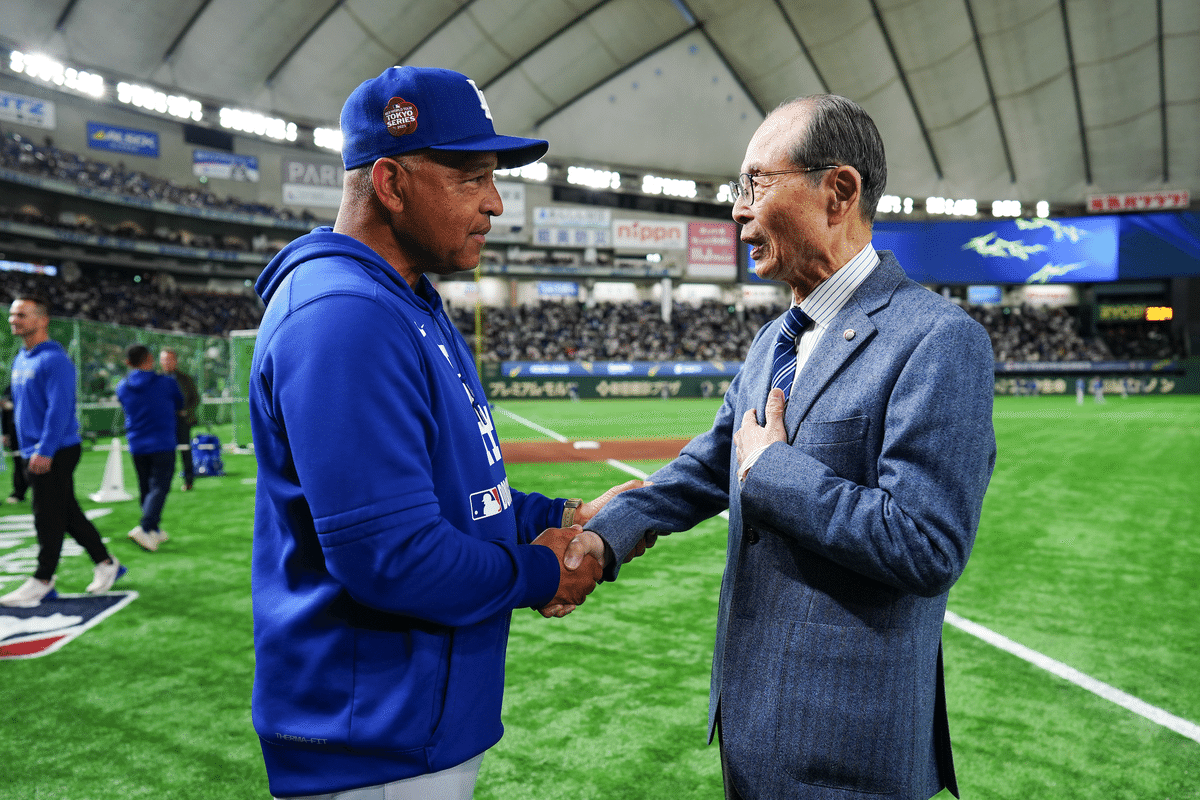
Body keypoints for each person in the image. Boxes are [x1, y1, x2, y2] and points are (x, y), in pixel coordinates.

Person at [564, 96, 997, 799]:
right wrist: (605, 538)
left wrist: (776, 471)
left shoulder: (939, 339)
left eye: (755, 185)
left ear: (839, 191)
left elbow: (926, 545)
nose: (737, 210)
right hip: (751, 732)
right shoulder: (776, 339)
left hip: (850, 754)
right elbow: (710, 465)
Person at [248, 66, 643, 800]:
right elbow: (391, 556)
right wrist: (543, 571)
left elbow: (461, 493)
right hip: (369, 740)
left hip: (407, 725)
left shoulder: (405, 300)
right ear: (391, 184)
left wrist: (561, 517)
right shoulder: (346, 315)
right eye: (471, 178)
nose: (496, 203)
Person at [2, 296, 125, 607]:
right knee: (67, 513)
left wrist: (45, 450)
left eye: (21, 314)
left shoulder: (55, 360)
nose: (13, 319)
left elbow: (60, 409)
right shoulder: (21, 358)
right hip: (34, 449)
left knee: (46, 516)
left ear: (42, 321)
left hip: (55, 451)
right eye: (12, 314)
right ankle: (106, 563)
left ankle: (43, 579)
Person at [116, 344, 183, 552]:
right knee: (159, 487)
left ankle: (153, 528)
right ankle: (145, 528)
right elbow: (180, 404)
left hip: (137, 443)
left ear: (128, 363)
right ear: (150, 360)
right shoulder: (167, 383)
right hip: (162, 442)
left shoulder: (122, 386)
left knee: (145, 487)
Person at [159, 348, 200, 490]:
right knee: (164, 453)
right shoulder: (156, 379)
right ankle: (164, 482)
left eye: (169, 359)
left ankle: (189, 481)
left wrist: (186, 411)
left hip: (183, 422)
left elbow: (195, 398)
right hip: (164, 422)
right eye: (164, 359)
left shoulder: (185, 379)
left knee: (185, 450)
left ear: (175, 361)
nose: (167, 362)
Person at [2, 384, 29, 503]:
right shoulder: (11, 387)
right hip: (15, 432)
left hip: (31, 431)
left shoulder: (33, 383)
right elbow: (4, 411)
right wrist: (5, 433)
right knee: (18, 463)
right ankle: (19, 492)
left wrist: (14, 406)